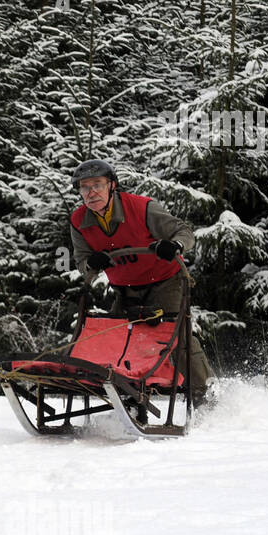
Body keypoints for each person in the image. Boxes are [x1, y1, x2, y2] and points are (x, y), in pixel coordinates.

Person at [68, 159, 212, 403]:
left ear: (112, 186)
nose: (91, 192)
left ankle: (202, 392)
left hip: (165, 282)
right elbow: (83, 263)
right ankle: (129, 393)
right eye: (85, 187)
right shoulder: (79, 221)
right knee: (119, 338)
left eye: (97, 185)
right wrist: (93, 263)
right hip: (125, 289)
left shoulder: (142, 209)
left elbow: (184, 232)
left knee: (175, 336)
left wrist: (174, 245)